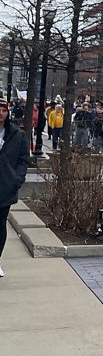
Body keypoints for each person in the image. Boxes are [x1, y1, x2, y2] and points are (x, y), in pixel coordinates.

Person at [0, 100, 31, 278]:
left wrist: (17, 179)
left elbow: (23, 159)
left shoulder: (17, 135)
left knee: (0, 225)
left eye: (4, 110)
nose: (1, 113)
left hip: (6, 187)